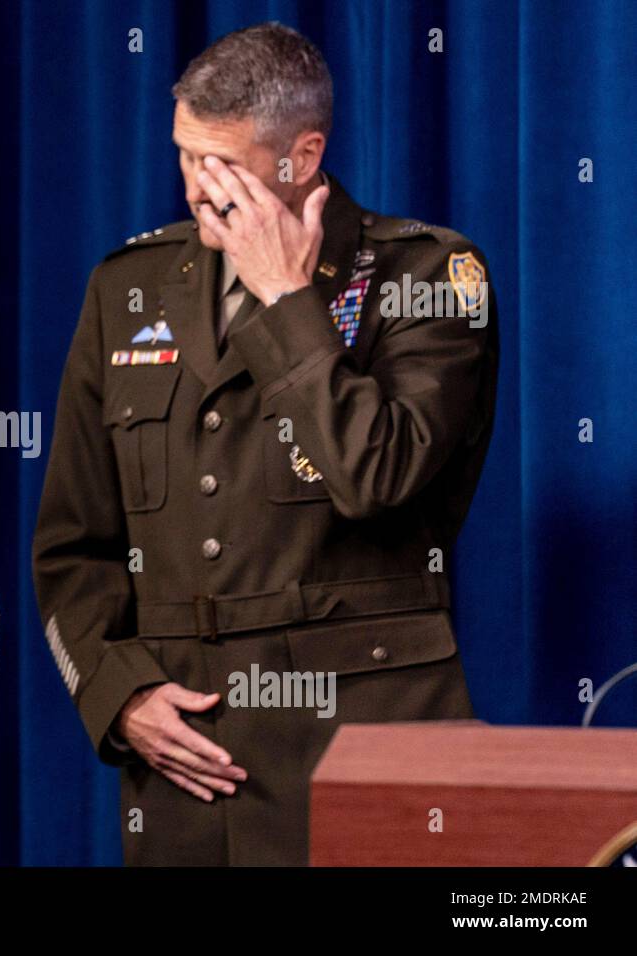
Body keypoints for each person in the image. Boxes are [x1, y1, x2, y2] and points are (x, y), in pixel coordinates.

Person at [33, 22, 497, 865]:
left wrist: (288, 299)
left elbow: (377, 475)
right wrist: (119, 696)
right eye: (185, 157)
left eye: (224, 165)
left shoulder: (426, 277)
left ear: (304, 154)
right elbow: (73, 545)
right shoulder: (128, 286)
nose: (197, 190)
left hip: (362, 745)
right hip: (186, 769)